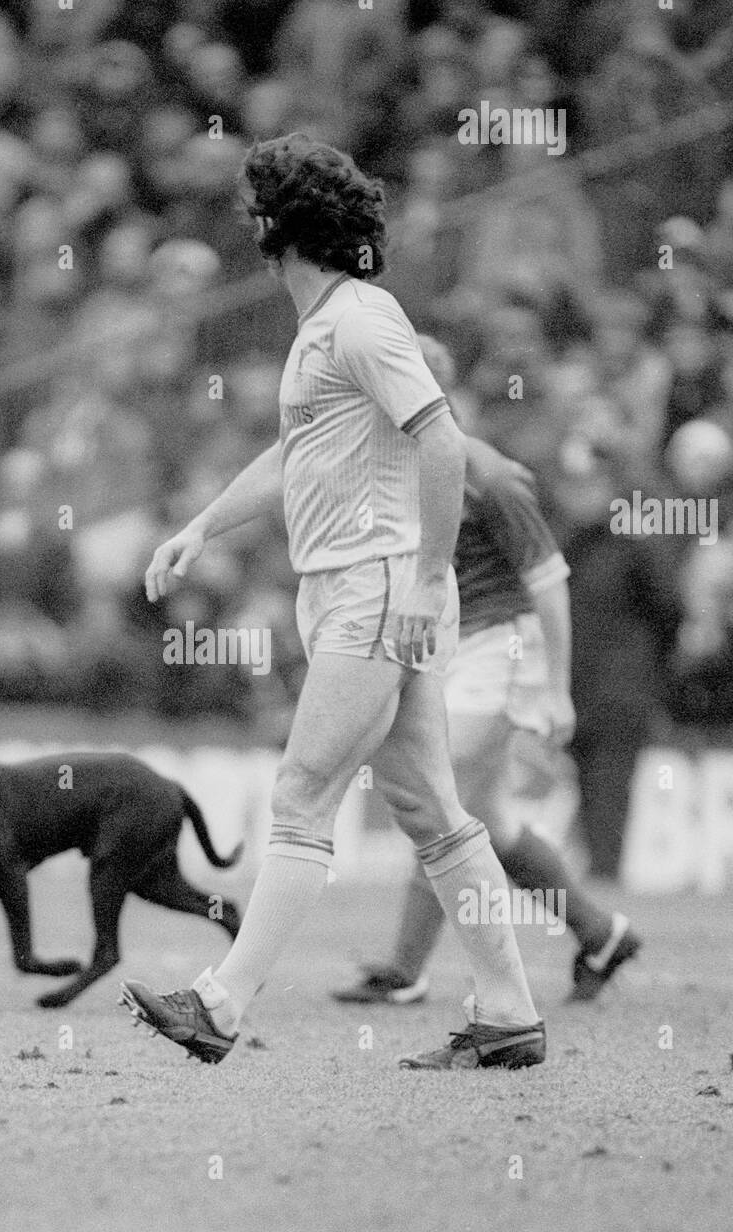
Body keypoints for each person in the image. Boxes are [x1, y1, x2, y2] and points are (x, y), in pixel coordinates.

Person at [119, 133, 545, 1071]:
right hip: (362, 587)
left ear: (279, 226)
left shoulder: (359, 319)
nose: (249, 222)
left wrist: (428, 581)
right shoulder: (328, 328)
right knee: (435, 814)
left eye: (255, 208)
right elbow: (294, 459)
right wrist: (201, 528)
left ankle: (221, 1004)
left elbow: (439, 440)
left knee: (304, 792)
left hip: (375, 588)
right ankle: (510, 1011)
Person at [334, 337, 641, 1009]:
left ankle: (406, 970)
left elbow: (549, 579)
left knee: (433, 795)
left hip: (501, 652)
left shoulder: (487, 474)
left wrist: (556, 689)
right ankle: (600, 933)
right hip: (454, 651)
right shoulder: (395, 467)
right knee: (490, 823)